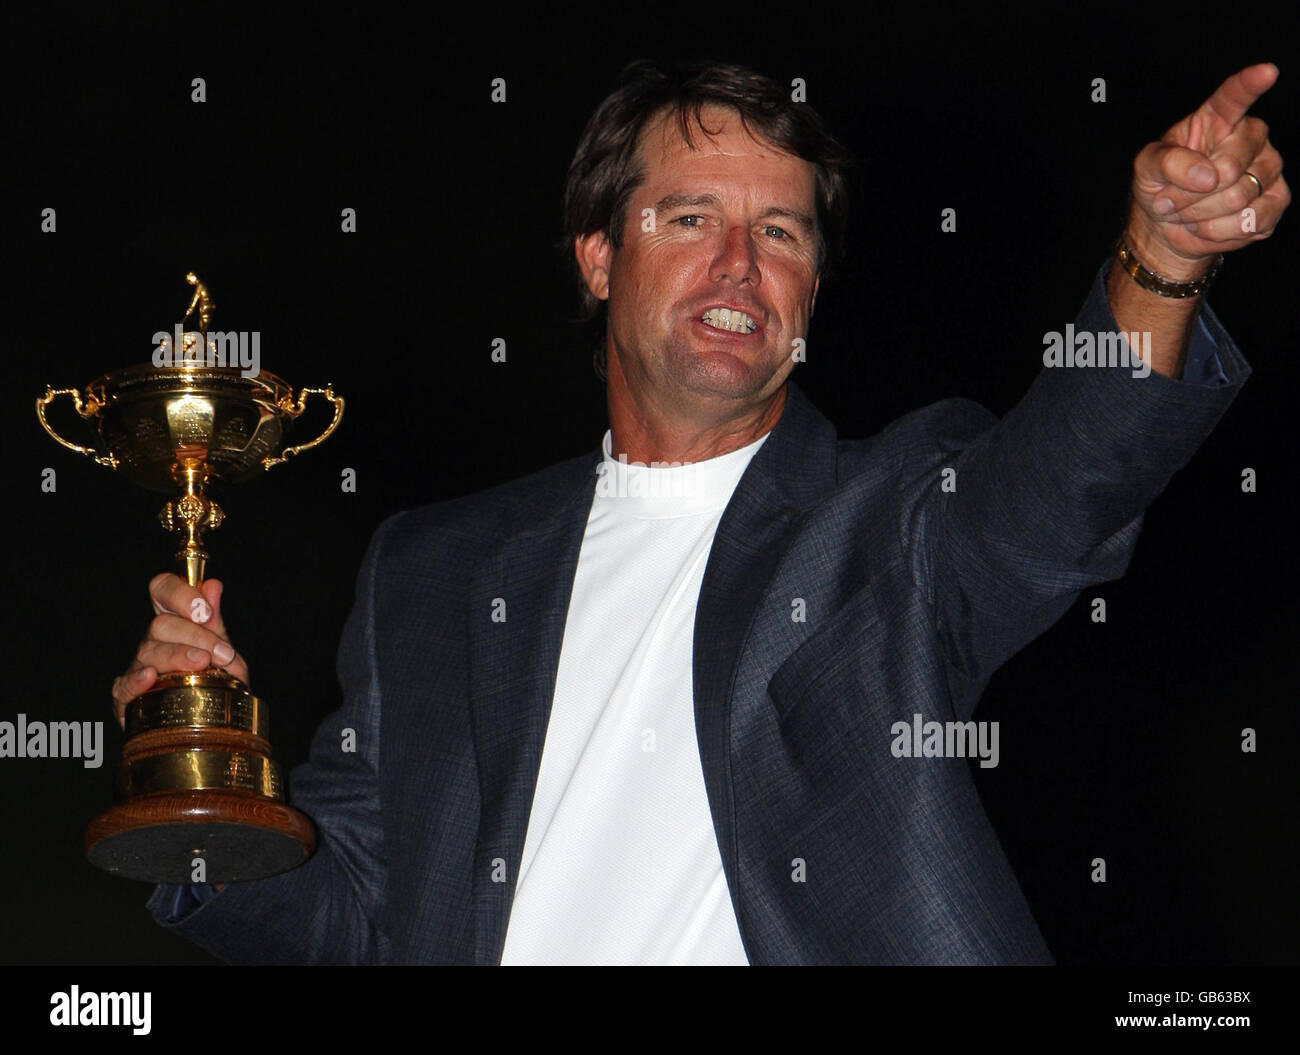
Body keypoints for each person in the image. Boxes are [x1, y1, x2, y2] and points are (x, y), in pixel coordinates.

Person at [113, 59, 1288, 964]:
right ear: (595, 258)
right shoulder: (432, 567)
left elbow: (1063, 483)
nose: (739, 264)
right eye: (688, 219)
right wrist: (200, 798)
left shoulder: (890, 515)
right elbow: (351, 909)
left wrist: (1161, 256)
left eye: (779, 233)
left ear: (810, 294)